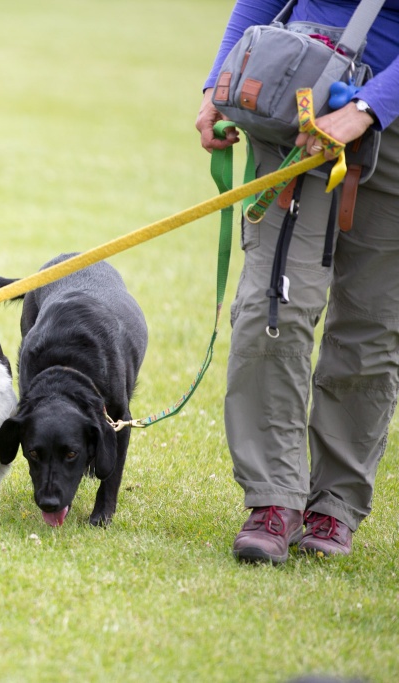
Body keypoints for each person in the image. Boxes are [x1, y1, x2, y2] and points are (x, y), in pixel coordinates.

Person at [195, 0, 399, 564]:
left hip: (393, 122)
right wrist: (219, 83)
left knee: (371, 331)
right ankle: (273, 498)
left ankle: (334, 505)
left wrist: (369, 106)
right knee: (272, 309)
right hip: (299, 109)